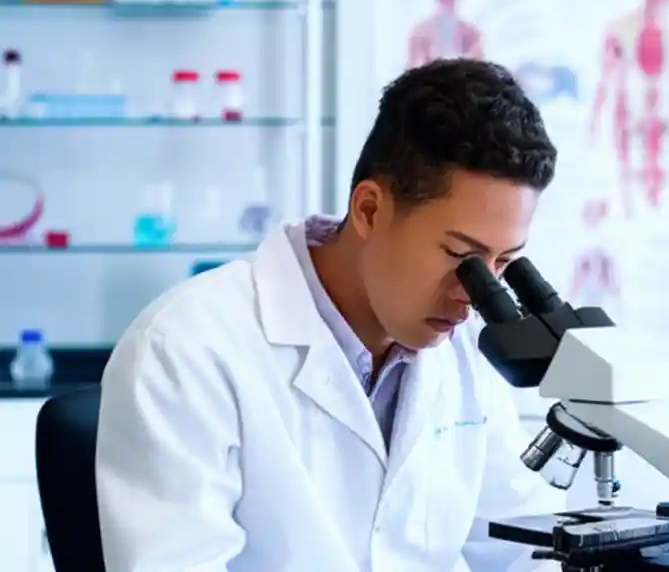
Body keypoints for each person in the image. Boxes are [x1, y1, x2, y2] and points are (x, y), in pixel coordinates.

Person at [96, 59, 565, 571]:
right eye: (461, 257)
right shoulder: (187, 348)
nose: (476, 294)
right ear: (368, 210)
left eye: (503, 262)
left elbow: (525, 549)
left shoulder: (464, 350)